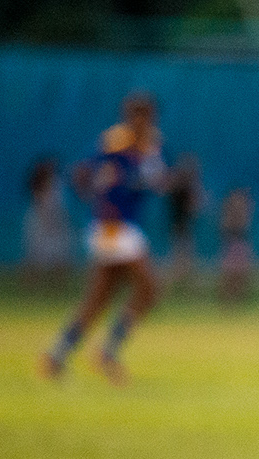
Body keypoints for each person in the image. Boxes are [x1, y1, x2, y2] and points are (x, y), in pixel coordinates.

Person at [37, 92, 166, 386]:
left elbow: (154, 180)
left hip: (126, 226)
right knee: (149, 289)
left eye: (147, 116)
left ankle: (57, 355)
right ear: (129, 116)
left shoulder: (150, 143)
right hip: (113, 227)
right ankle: (107, 352)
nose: (143, 121)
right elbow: (82, 172)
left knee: (98, 299)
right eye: (138, 115)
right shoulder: (114, 142)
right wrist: (98, 197)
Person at [21, 157, 75, 290]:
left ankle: (57, 288)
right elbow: (40, 205)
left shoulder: (58, 184)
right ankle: (29, 287)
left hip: (57, 224)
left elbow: (61, 206)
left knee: (61, 257)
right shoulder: (38, 185)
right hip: (41, 224)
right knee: (35, 258)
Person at [164, 153, 207, 287]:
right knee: (181, 260)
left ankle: (182, 285)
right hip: (180, 226)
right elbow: (195, 206)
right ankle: (170, 286)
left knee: (183, 260)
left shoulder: (179, 186)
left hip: (180, 226)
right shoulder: (182, 188)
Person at [217, 187, 254, 307]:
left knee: (241, 273)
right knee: (231, 273)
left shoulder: (242, 212)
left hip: (239, 242)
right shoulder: (229, 214)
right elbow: (226, 228)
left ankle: (237, 298)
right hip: (233, 242)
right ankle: (228, 298)